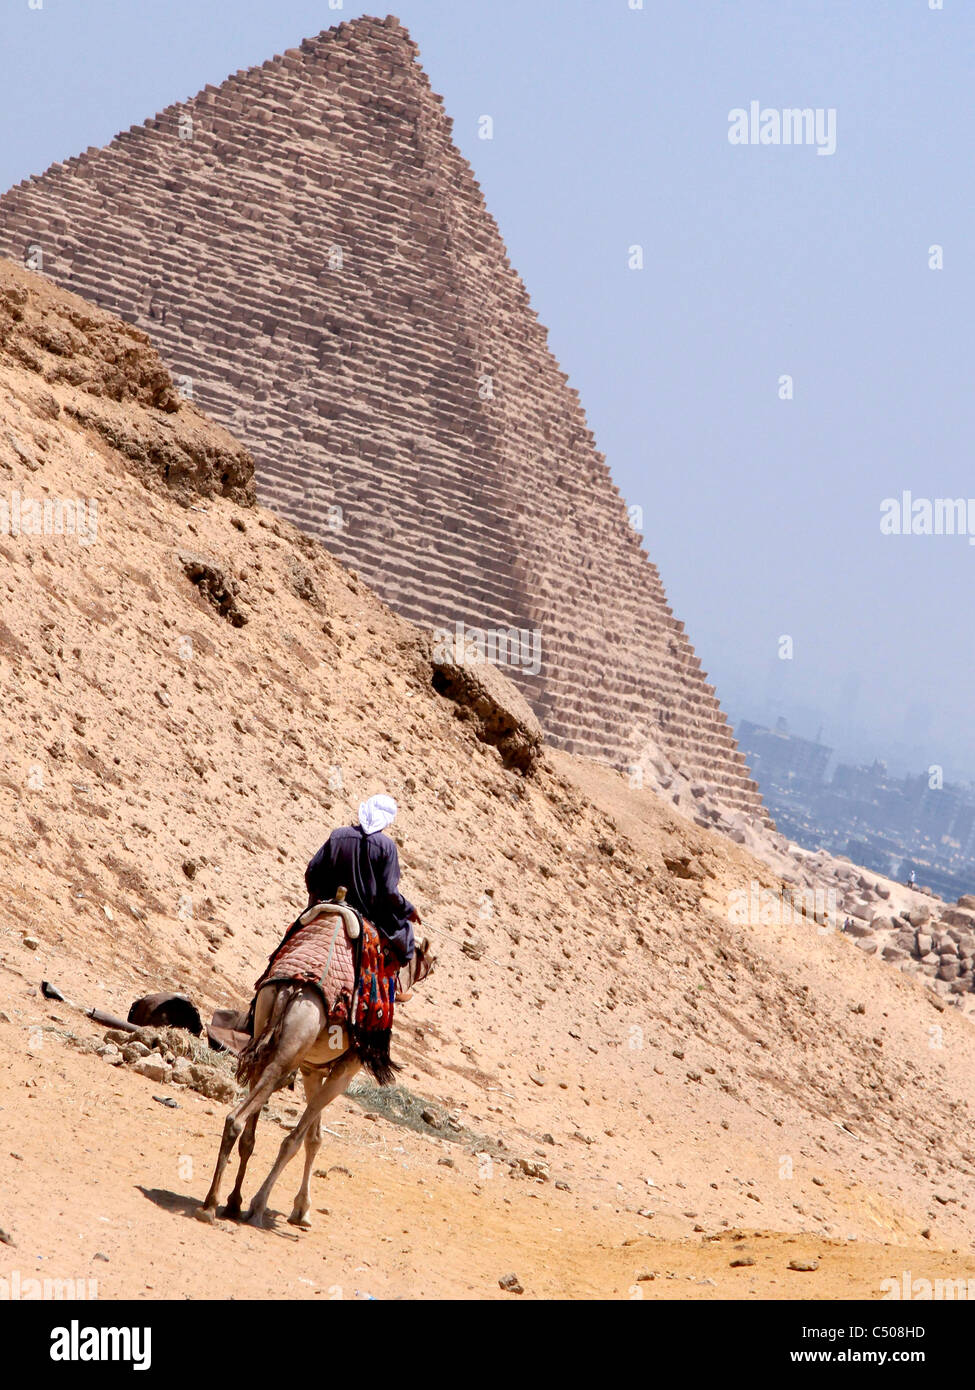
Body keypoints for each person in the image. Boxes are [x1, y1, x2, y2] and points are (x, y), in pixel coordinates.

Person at [304, 793, 419, 965]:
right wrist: (408, 910)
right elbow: (389, 892)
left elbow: (312, 872)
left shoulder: (338, 835)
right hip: (368, 914)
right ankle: (390, 982)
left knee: (296, 930)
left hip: (328, 902)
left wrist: (316, 898)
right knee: (406, 939)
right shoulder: (386, 847)